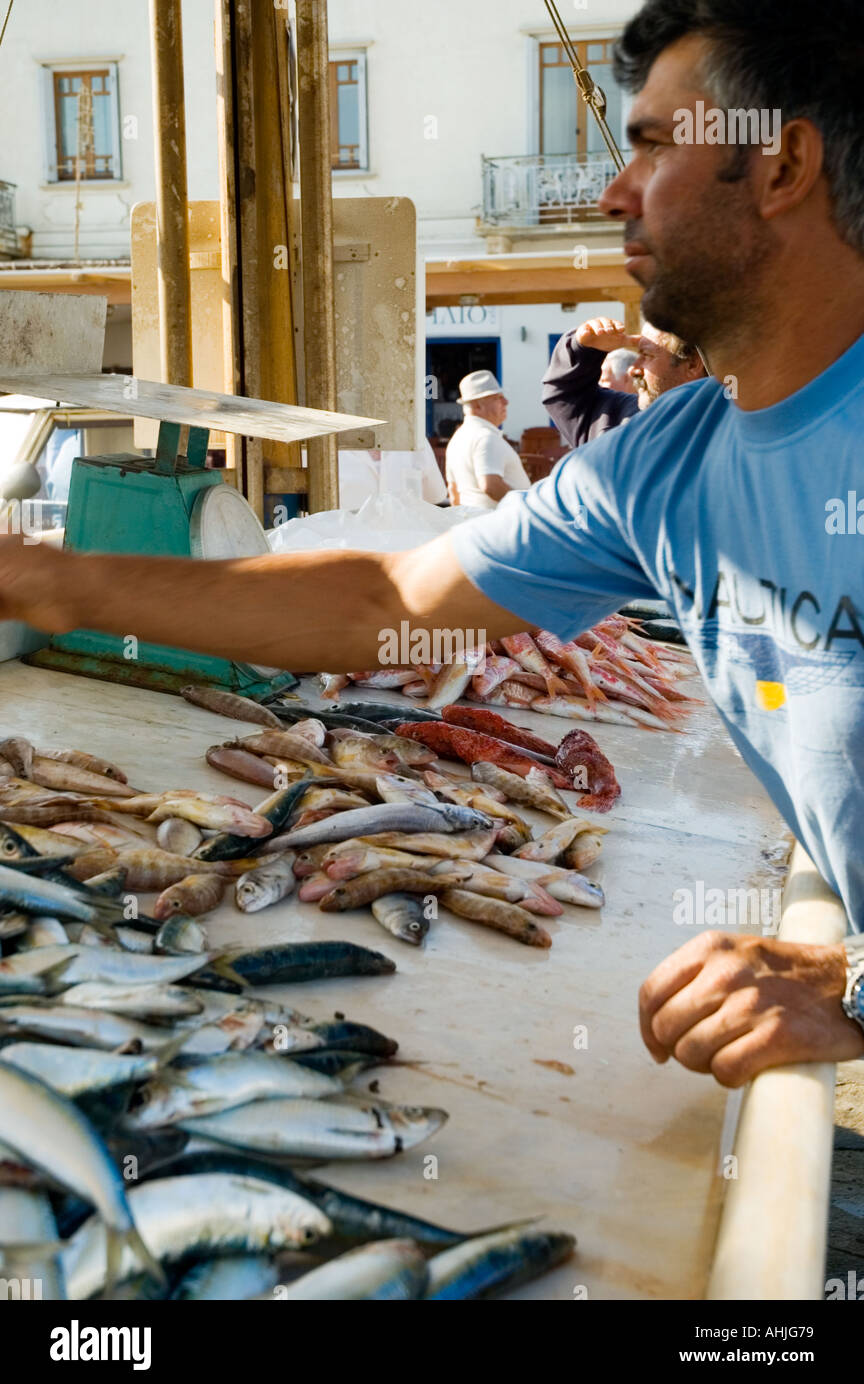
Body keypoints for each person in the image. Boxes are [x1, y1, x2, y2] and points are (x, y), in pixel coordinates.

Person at [2, 0, 863, 1089]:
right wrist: (51, 580)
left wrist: (859, 981)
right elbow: (388, 605)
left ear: (782, 164)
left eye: (651, 144)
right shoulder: (668, 461)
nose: (612, 190)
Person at [543, 317, 707, 447]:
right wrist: (583, 349)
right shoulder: (617, 417)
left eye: (647, 355)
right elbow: (564, 397)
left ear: (692, 364)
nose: (633, 368)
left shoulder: (724, 433)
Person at [444, 370, 530, 509]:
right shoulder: (485, 437)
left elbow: (454, 494)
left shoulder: (457, 439)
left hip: (473, 524)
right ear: (478, 406)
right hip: (499, 524)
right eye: (497, 397)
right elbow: (490, 485)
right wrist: (526, 509)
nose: (506, 402)